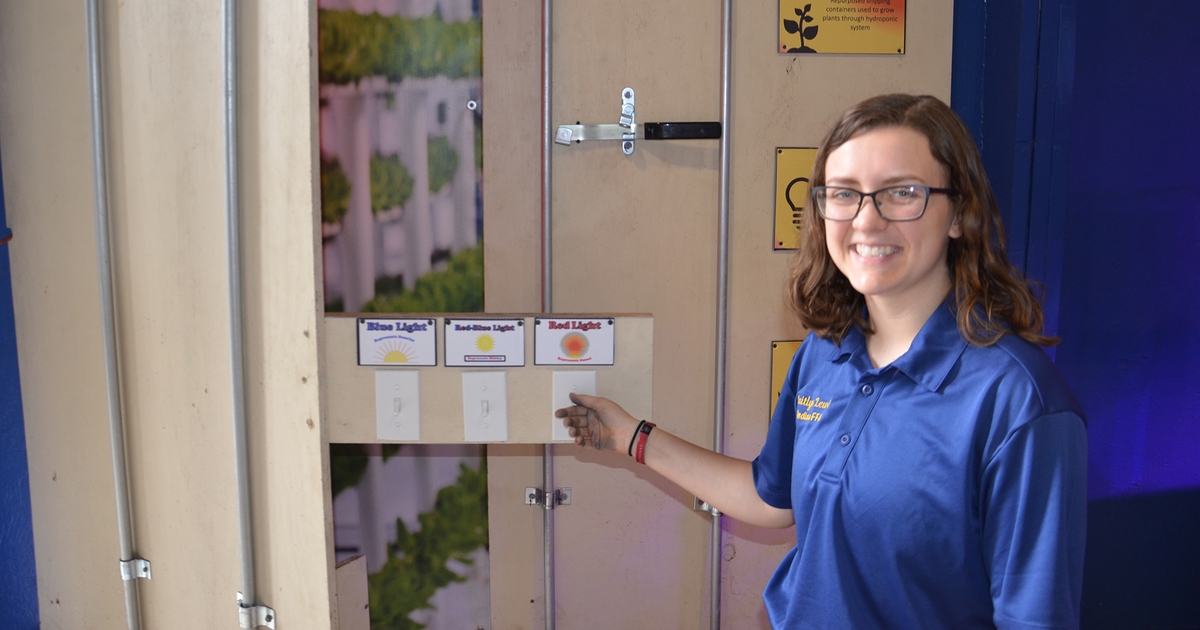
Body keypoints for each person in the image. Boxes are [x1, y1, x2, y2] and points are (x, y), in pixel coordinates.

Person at [556, 93, 1087, 629]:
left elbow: (1034, 618)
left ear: (960, 214)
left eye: (902, 192)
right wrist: (631, 436)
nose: (866, 221)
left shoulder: (1019, 402)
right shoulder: (825, 351)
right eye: (844, 194)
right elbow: (772, 498)